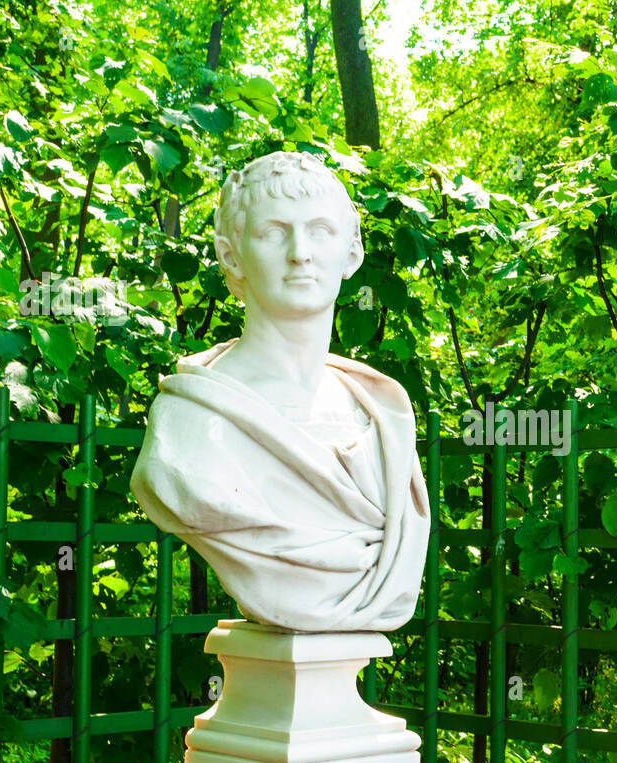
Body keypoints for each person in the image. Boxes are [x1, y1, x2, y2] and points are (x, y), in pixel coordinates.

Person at [130, 151, 429, 632]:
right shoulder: (189, 426)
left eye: (320, 231)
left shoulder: (383, 413)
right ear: (232, 255)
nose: (300, 252)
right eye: (274, 232)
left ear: (352, 252)